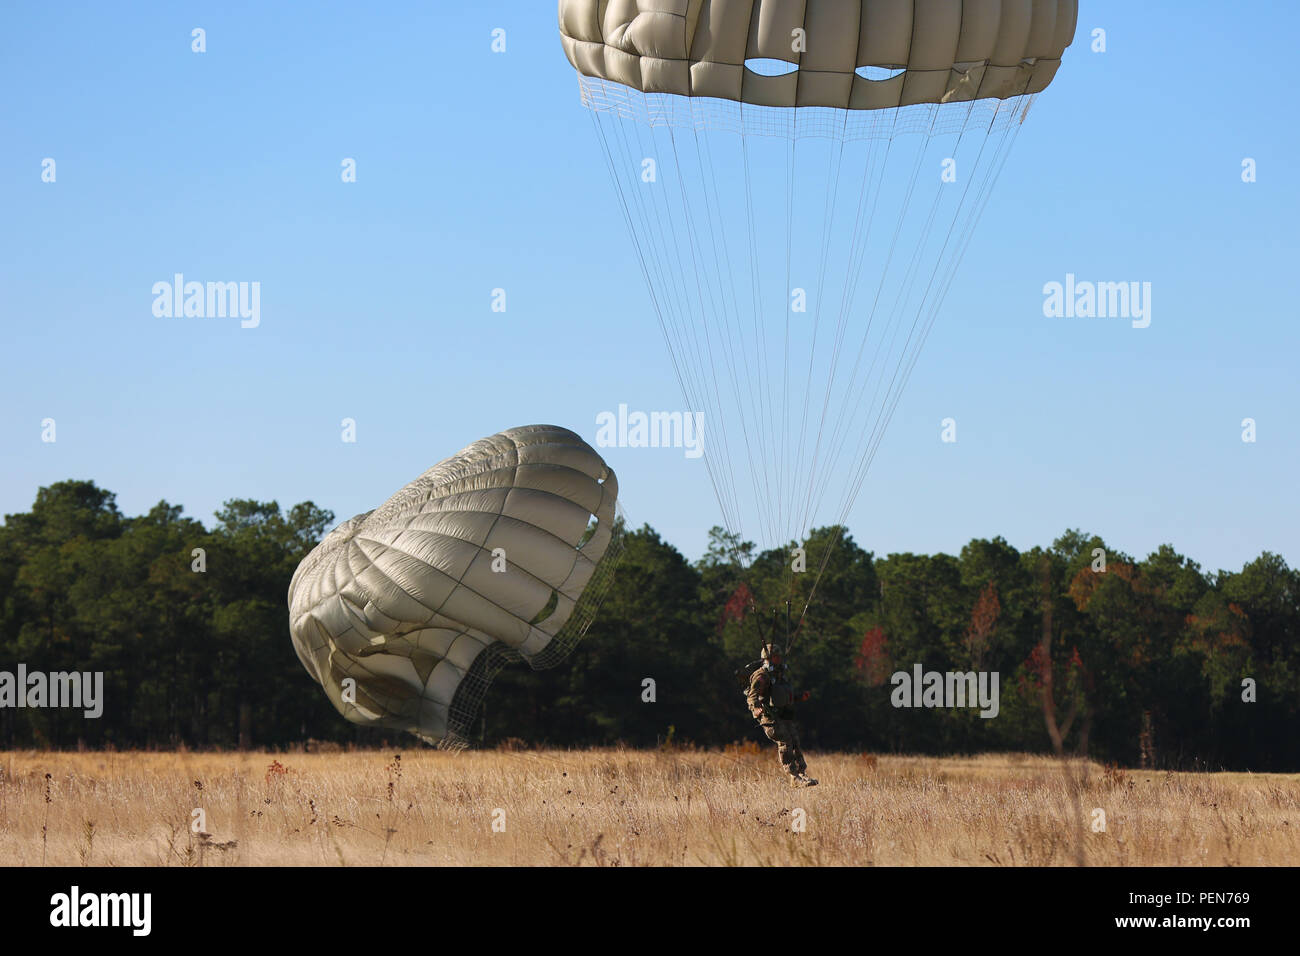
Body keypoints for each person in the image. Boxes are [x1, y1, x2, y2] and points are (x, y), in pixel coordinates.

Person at [746, 643, 817, 786]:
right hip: (770, 718)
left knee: (795, 741)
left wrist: (799, 697)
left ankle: (801, 774)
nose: (780, 659)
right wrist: (755, 709)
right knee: (785, 741)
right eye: (777, 657)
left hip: (783, 717)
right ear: (769, 658)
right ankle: (793, 775)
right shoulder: (762, 676)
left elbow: (782, 695)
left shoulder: (778, 675)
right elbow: (751, 696)